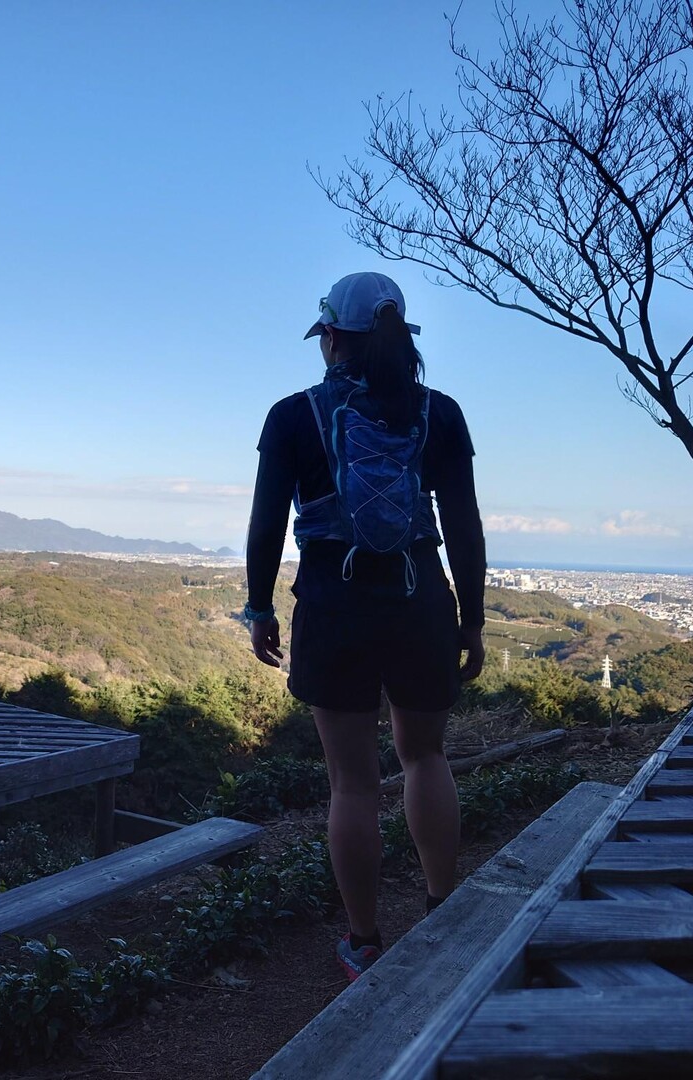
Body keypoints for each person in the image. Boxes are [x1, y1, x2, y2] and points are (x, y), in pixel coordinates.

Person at [243, 271, 486, 981]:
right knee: (425, 757)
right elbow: (463, 524)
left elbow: (266, 522)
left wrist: (259, 606)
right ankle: (442, 909)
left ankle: (365, 941)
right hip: (419, 598)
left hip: (334, 601)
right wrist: (471, 620)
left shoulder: (292, 415)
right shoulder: (440, 412)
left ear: (331, 337)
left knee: (352, 783)